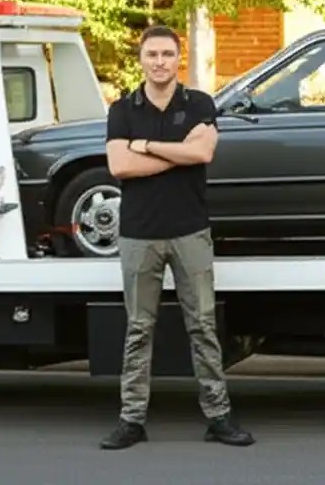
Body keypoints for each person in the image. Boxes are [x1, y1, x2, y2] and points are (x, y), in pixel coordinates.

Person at [98, 24, 255, 449]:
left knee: (202, 326)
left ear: (178, 58)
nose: (160, 62)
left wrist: (145, 144)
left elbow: (202, 153)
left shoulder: (200, 102)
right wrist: (175, 152)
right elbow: (120, 166)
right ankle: (131, 420)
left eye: (167, 54)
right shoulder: (122, 110)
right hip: (139, 235)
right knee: (138, 330)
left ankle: (219, 417)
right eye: (152, 54)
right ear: (141, 59)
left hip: (190, 232)